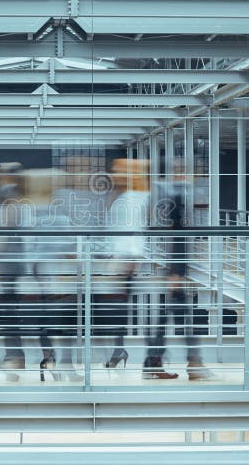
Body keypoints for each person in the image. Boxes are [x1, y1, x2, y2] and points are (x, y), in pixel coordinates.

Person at [145, 160, 214, 381]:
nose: (185, 173)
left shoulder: (177, 194)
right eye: (181, 169)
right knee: (178, 319)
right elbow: (176, 235)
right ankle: (191, 363)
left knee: (172, 319)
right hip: (175, 267)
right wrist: (175, 271)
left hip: (176, 267)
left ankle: (159, 363)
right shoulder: (172, 195)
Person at [23, 169, 82, 382]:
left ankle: (49, 359)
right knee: (64, 320)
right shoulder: (60, 217)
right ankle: (64, 364)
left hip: (39, 273)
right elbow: (71, 249)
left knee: (46, 319)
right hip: (56, 274)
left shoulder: (31, 213)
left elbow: (29, 247)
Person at [100, 159, 150, 371]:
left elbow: (135, 230)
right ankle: (118, 349)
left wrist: (132, 259)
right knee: (114, 306)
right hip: (117, 256)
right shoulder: (121, 195)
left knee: (115, 306)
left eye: (118, 171)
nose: (114, 175)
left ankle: (119, 350)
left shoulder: (137, 196)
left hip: (125, 258)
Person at [0, 162, 27, 381]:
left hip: (9, 263)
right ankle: (14, 356)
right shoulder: (18, 197)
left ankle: (13, 357)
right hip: (16, 262)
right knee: (11, 311)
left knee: (9, 312)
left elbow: (4, 232)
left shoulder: (10, 197)